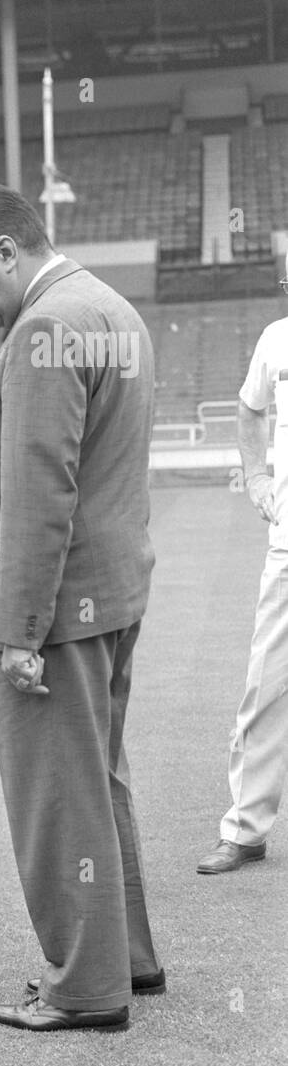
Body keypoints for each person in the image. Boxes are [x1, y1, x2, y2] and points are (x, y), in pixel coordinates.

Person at [0, 185, 163, 1032]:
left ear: (5, 250)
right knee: (96, 784)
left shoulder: (43, 328)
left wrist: (20, 633)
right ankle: (125, 960)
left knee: (60, 802)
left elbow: (40, 495)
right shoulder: (109, 307)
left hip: (56, 613)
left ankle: (83, 989)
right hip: (108, 593)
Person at [196, 267, 288, 874]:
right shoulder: (276, 339)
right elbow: (250, 409)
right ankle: (246, 830)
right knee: (266, 688)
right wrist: (256, 476)